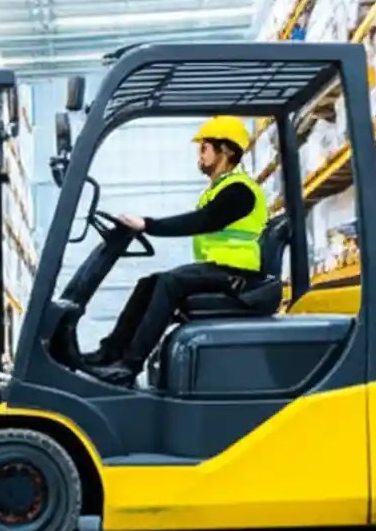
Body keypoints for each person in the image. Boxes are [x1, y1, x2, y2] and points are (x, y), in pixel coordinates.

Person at [84, 116, 269, 387]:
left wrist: (148, 224)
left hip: (239, 276)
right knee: (150, 283)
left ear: (226, 151)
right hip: (220, 269)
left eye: (204, 148)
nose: (200, 155)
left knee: (171, 283)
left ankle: (129, 365)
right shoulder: (220, 189)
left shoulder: (240, 191)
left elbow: (202, 221)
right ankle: (109, 353)